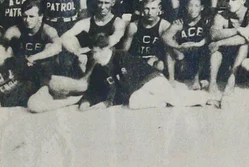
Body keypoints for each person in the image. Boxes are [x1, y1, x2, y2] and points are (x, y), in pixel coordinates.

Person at [79, 33, 208, 110]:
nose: (93, 56)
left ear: (105, 48)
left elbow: (127, 86)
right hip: (139, 89)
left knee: (175, 100)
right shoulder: (99, 67)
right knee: (134, 102)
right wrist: (86, 101)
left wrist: (109, 102)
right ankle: (165, 99)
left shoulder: (121, 57)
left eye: (95, 52)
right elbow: (94, 88)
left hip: (152, 79)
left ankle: (206, 97)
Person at [206, 0, 249, 107]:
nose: (230, 3)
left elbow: (246, 37)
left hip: (245, 62)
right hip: (226, 59)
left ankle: (231, 80)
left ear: (243, 0)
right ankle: (212, 82)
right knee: (215, 52)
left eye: (234, 0)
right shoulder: (221, 16)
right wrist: (238, 29)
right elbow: (214, 34)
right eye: (228, 0)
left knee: (243, 44)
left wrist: (220, 43)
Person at [60, 0, 127, 72]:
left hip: (108, 60)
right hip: (90, 58)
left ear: (112, 3)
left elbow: (113, 40)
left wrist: (87, 49)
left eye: (106, 3)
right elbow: (64, 37)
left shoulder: (118, 22)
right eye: (100, 2)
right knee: (71, 42)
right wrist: (78, 52)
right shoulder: (88, 22)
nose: (102, 7)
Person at [3, 1, 63, 86]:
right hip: (23, 69)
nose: (27, 20)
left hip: (42, 69)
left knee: (49, 46)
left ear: (40, 17)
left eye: (31, 16)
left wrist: (33, 58)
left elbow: (58, 47)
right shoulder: (14, 31)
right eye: (25, 16)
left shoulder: (48, 30)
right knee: (7, 50)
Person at [161, 0, 211, 89]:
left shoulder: (205, 22)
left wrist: (197, 44)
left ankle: (196, 80)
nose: (193, 9)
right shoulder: (181, 22)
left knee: (204, 49)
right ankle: (171, 79)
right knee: (169, 47)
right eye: (190, 5)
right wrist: (178, 46)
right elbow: (165, 36)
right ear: (186, 7)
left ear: (201, 8)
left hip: (200, 58)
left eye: (196, 6)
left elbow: (210, 37)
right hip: (184, 59)